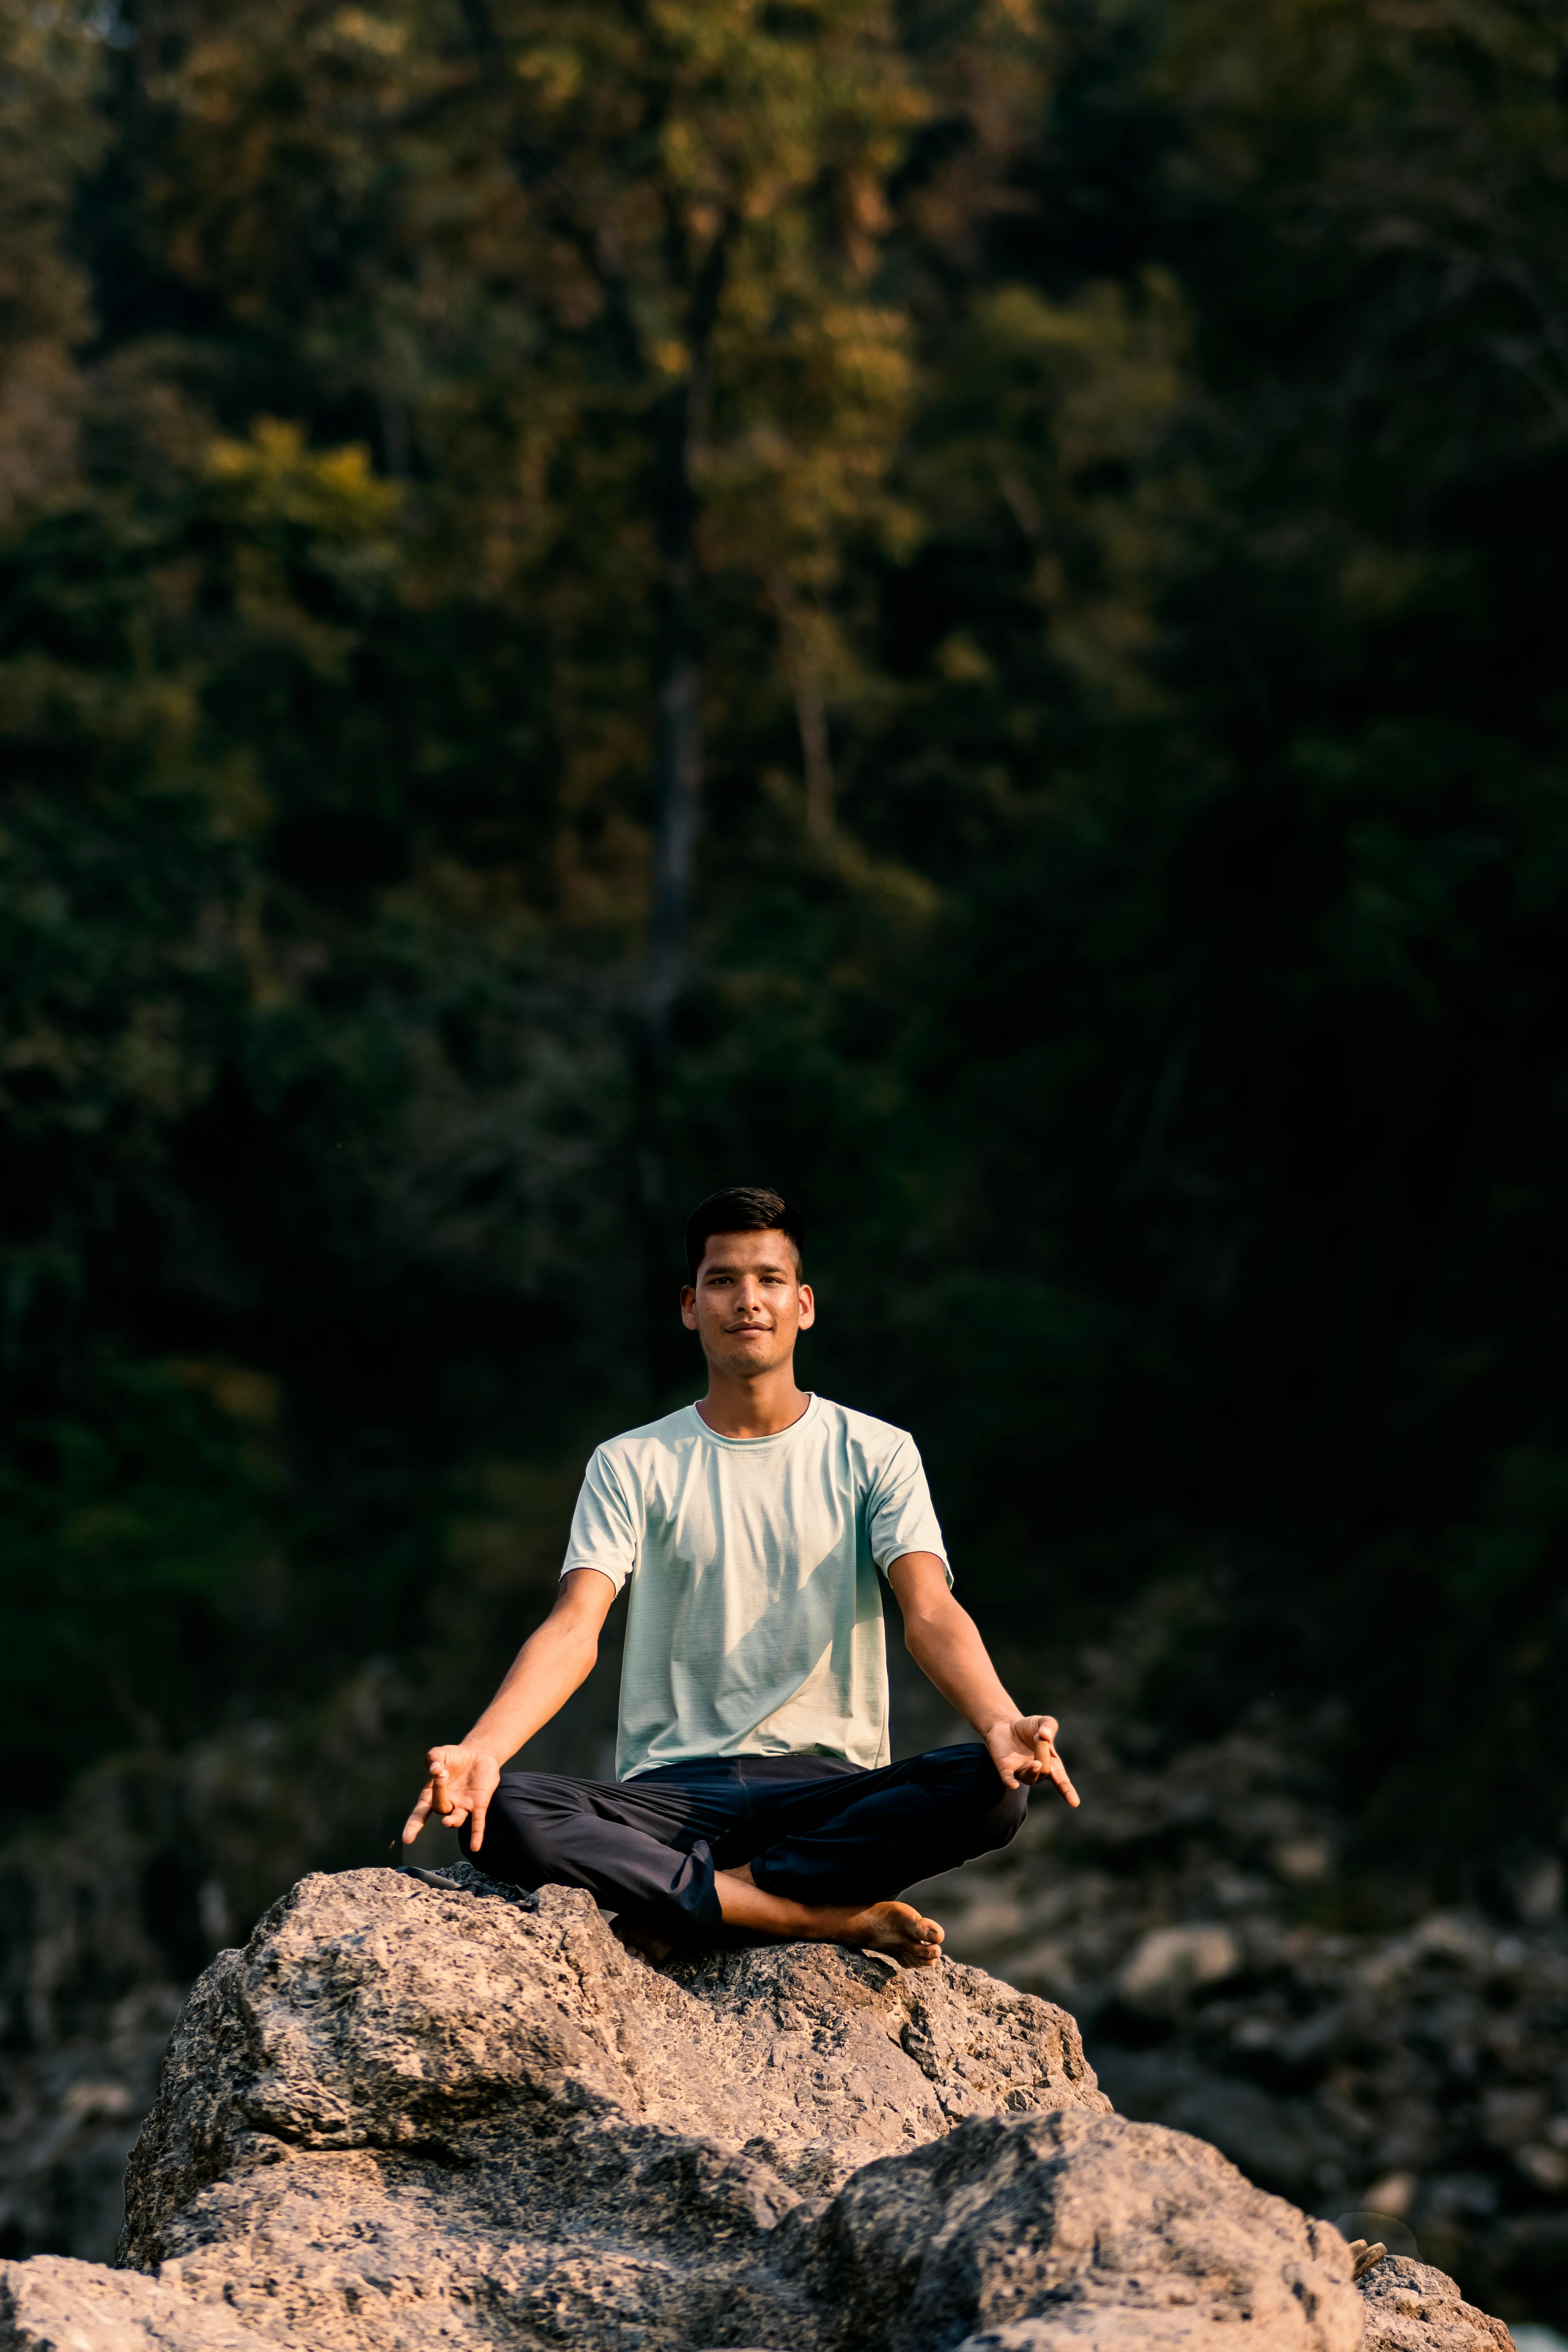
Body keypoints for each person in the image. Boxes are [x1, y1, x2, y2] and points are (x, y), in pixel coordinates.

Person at [400, 1184, 1079, 1967]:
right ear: (691, 1306)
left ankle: (707, 1901)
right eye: (722, 1281)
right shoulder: (632, 1463)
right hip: (672, 1797)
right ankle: (811, 1918)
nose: (747, 1300)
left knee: (993, 1788)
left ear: (805, 1304)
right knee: (512, 1808)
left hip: (828, 1794)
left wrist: (999, 1721)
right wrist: (484, 1747)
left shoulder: (877, 1452)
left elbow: (928, 1611)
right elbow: (575, 1625)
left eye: (768, 1279)